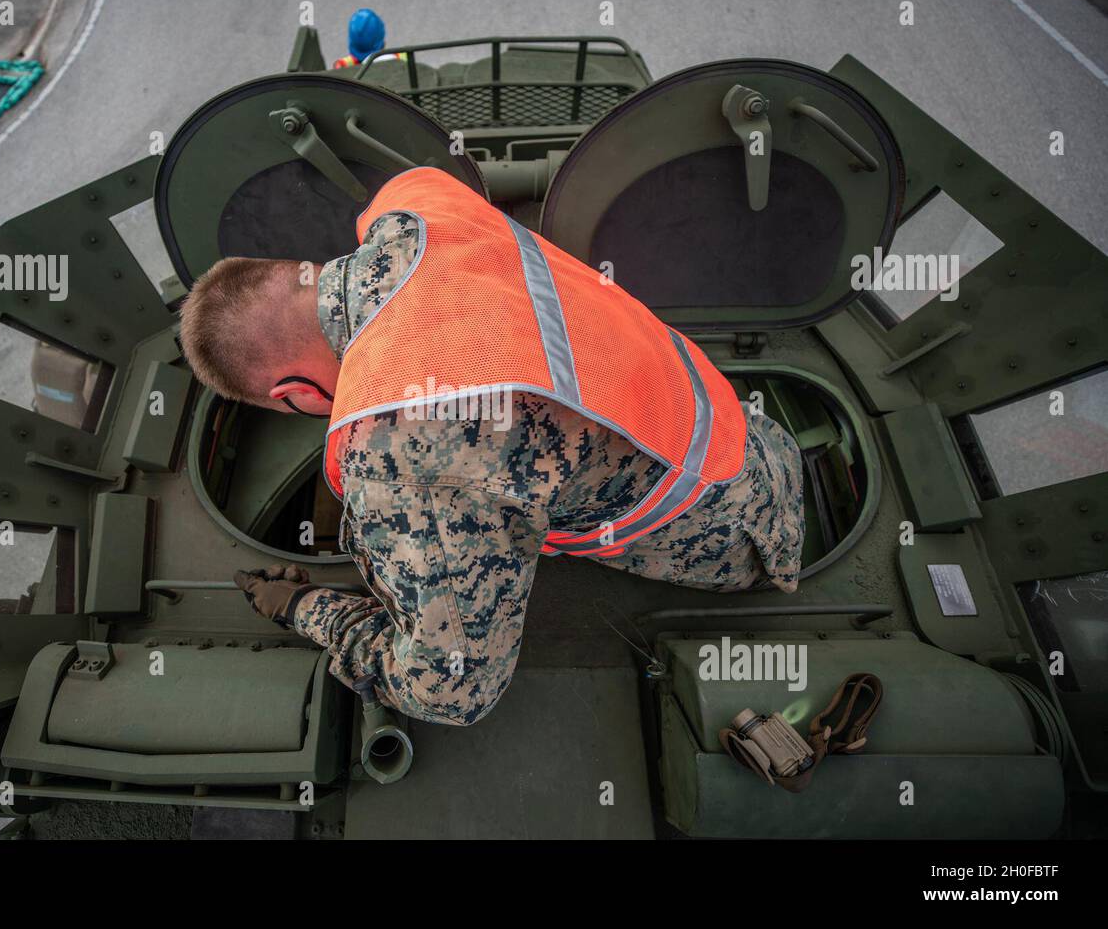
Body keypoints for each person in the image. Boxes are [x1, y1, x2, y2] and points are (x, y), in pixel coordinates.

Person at [178, 167, 805, 727]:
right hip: (751, 432)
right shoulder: (417, 202)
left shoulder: (400, 459)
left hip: (744, 539)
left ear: (295, 394)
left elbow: (451, 689)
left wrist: (309, 609)